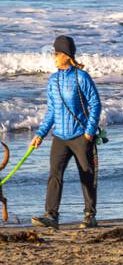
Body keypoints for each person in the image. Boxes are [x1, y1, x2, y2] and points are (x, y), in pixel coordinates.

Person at [29, 35, 103, 230]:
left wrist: (89, 132)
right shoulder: (53, 80)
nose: (53, 57)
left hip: (80, 135)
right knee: (55, 174)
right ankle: (51, 216)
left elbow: (96, 104)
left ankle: (90, 216)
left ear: (66, 55)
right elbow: (52, 111)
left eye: (56, 53)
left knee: (87, 175)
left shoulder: (82, 77)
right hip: (60, 136)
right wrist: (41, 134)